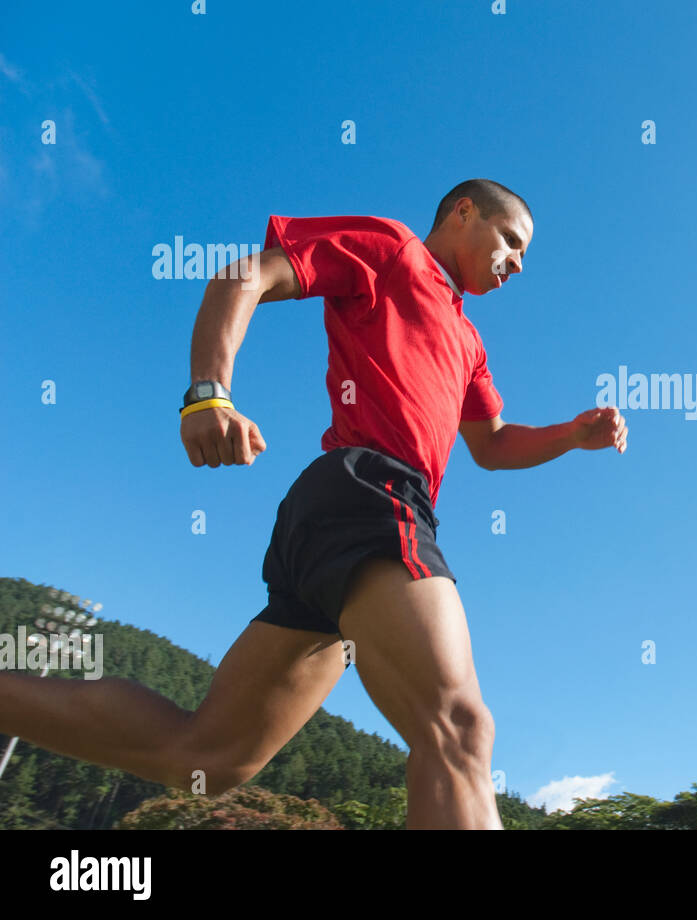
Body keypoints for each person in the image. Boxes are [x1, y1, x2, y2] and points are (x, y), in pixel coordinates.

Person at [0, 178, 627, 829]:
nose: (518, 263)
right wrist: (209, 394)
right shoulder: (393, 249)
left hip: (343, 528)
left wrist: (573, 436)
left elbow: (492, 444)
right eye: (511, 241)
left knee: (208, 757)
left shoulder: (469, 343)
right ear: (463, 213)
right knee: (459, 729)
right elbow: (245, 275)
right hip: (370, 492)